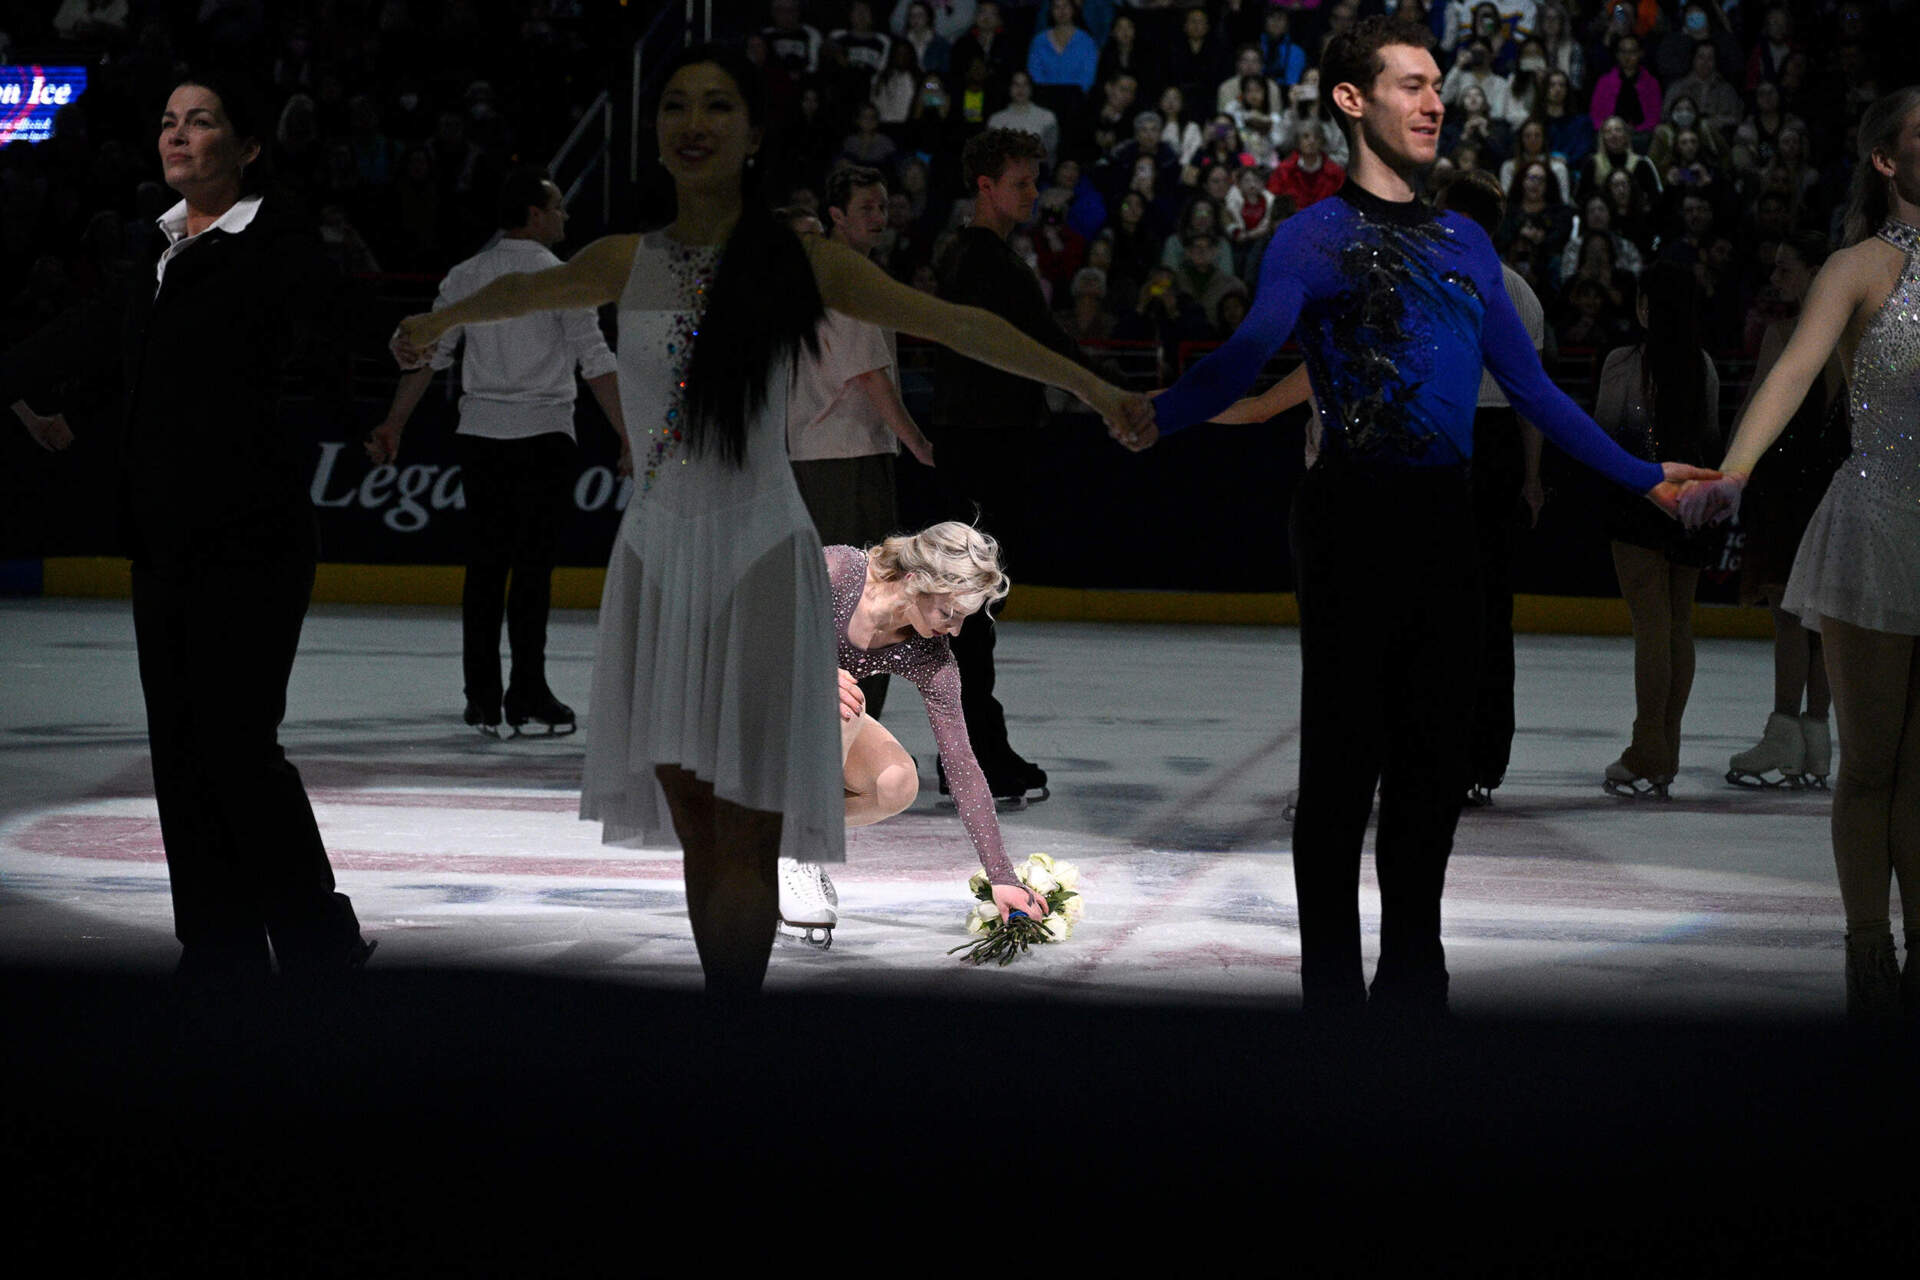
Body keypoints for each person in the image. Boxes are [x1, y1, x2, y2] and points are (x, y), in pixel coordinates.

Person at [391, 46, 1141, 996]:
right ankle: (727, 1023)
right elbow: (520, 292)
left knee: (741, 822)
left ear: (749, 134)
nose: (693, 121)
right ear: (657, 131)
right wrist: (431, 325)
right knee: (698, 822)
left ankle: (734, 1034)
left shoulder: (797, 263)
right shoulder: (627, 258)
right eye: (674, 104)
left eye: (717, 106)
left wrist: (1096, 387)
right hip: (656, 558)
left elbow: (954, 324)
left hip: (757, 552)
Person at [1129, 17, 1712, 1015]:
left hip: (1446, 517)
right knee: (1344, 759)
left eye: (1438, 83)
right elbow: (1243, 357)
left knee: (1434, 762)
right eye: (1411, 83)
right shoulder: (1310, 237)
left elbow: (1533, 391)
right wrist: (1151, 413)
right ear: (1354, 100)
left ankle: (1413, 981)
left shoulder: (1467, 242)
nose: (1436, 100)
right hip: (1351, 513)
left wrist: (1641, 473)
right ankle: (1329, 997)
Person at [5, 73, 376, 983]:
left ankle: (318, 942)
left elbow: (327, 342)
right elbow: (84, 339)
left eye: (201, 121)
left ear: (247, 147)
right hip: (162, 536)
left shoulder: (279, 244)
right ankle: (216, 943)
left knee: (238, 747)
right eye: (169, 121)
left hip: (250, 537)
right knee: (179, 749)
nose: (177, 136)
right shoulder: (155, 250)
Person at [1678, 87, 1920, 1023]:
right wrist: (1734, 471)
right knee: (1869, 764)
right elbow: (1790, 368)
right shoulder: (1858, 266)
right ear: (1886, 162)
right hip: (1878, 527)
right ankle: (1869, 955)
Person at [366, 169, 629, 737]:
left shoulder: (466, 276)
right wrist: (628, 436)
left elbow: (431, 356)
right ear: (534, 214)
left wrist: (394, 422)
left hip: (481, 436)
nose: (565, 217)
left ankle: (481, 696)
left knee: (484, 568)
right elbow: (597, 362)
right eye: (557, 207)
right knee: (532, 570)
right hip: (546, 438)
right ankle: (527, 692)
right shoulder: (565, 279)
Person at [777, 524, 1050, 944]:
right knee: (845, 701)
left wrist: (1001, 874)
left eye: (964, 618)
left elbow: (961, 763)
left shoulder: (930, 656)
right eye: (949, 613)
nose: (956, 631)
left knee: (895, 783)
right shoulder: (836, 571)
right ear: (913, 582)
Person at [930, 127, 1090, 808]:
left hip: (988, 446)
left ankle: (977, 750)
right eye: (1021, 183)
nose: (1033, 193)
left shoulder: (985, 257)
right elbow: (1040, 346)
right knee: (969, 612)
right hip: (978, 449)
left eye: (1034, 181)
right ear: (986, 185)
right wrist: (1110, 392)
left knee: (975, 610)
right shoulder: (977, 260)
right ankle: (972, 755)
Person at [785, 166, 937, 729]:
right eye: (866, 208)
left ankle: (832, 728)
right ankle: (849, 730)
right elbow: (872, 378)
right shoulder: (846, 281)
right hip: (846, 457)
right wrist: (918, 441)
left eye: (882, 206)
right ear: (837, 218)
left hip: (824, 452)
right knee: (859, 598)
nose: (878, 217)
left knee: (840, 596)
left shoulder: (818, 279)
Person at [1438, 170, 1549, 807]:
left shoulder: (1442, 280)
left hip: (1455, 444)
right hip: (1500, 447)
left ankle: (1446, 752)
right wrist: (1531, 477)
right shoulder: (1520, 291)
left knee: (1440, 605)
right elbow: (1532, 397)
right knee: (1490, 609)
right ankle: (1482, 757)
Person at [1724, 232, 1848, 789]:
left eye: (1785, 269)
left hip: (1787, 490)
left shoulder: (1785, 334)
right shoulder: (1854, 332)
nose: (1775, 280)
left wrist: (1728, 473)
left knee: (1787, 614)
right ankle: (1816, 738)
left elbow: (1756, 407)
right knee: (1820, 618)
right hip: (1837, 485)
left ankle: (1782, 733)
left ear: (1816, 271)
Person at [1595, 264, 1721, 799]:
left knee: (1652, 628)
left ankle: (1647, 750)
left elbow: (1600, 435)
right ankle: (1664, 749)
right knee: (1677, 625)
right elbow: (1712, 436)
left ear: (1646, 307)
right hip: (1691, 502)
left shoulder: (1624, 364)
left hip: (1640, 502)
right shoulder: (1704, 366)